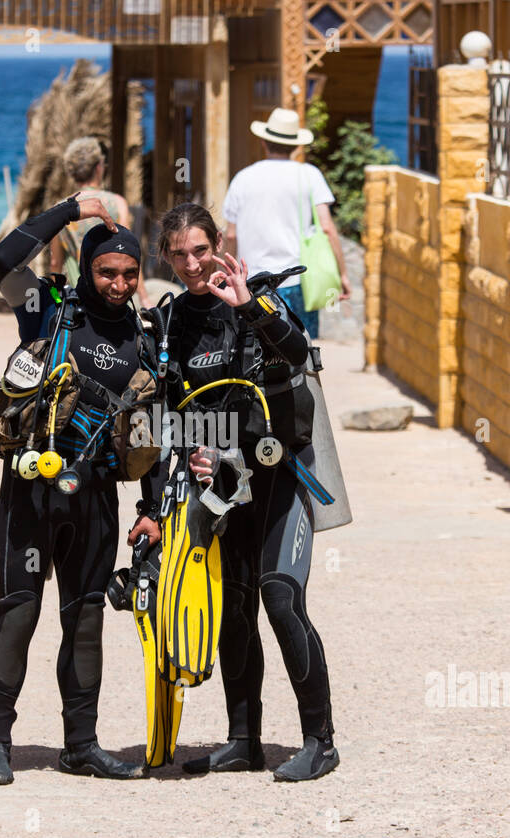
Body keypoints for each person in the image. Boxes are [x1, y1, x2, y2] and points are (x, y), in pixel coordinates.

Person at [147, 201, 338, 782]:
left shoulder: (257, 299)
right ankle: (243, 739)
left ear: (219, 244)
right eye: (178, 255)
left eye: (201, 250)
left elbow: (298, 355)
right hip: (225, 491)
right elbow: (167, 420)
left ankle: (320, 741)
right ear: (167, 257)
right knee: (234, 611)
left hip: (280, 477)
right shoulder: (172, 322)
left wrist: (249, 307)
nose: (192, 264)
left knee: (280, 597)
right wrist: (159, 501)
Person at [0, 195, 161, 786]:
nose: (119, 283)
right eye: (107, 271)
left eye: (130, 274)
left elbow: (152, 431)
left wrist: (152, 509)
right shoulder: (48, 308)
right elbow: (6, 257)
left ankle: (81, 745)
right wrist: (75, 208)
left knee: (84, 622)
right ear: (87, 269)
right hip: (31, 491)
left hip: (96, 499)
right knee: (18, 613)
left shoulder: (143, 335)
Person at [221, 107, 351, 340]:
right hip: (296, 282)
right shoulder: (309, 175)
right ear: (296, 146)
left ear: (264, 142)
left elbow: (231, 236)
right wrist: (342, 275)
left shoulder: (242, 178)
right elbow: (328, 228)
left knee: (253, 349)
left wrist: (226, 277)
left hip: (251, 285)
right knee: (301, 349)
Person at [50, 137, 133, 286]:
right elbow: (128, 255)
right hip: (113, 294)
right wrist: (143, 297)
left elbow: (55, 263)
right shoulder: (118, 203)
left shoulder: (60, 209)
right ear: (99, 167)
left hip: (78, 297)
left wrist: (55, 298)